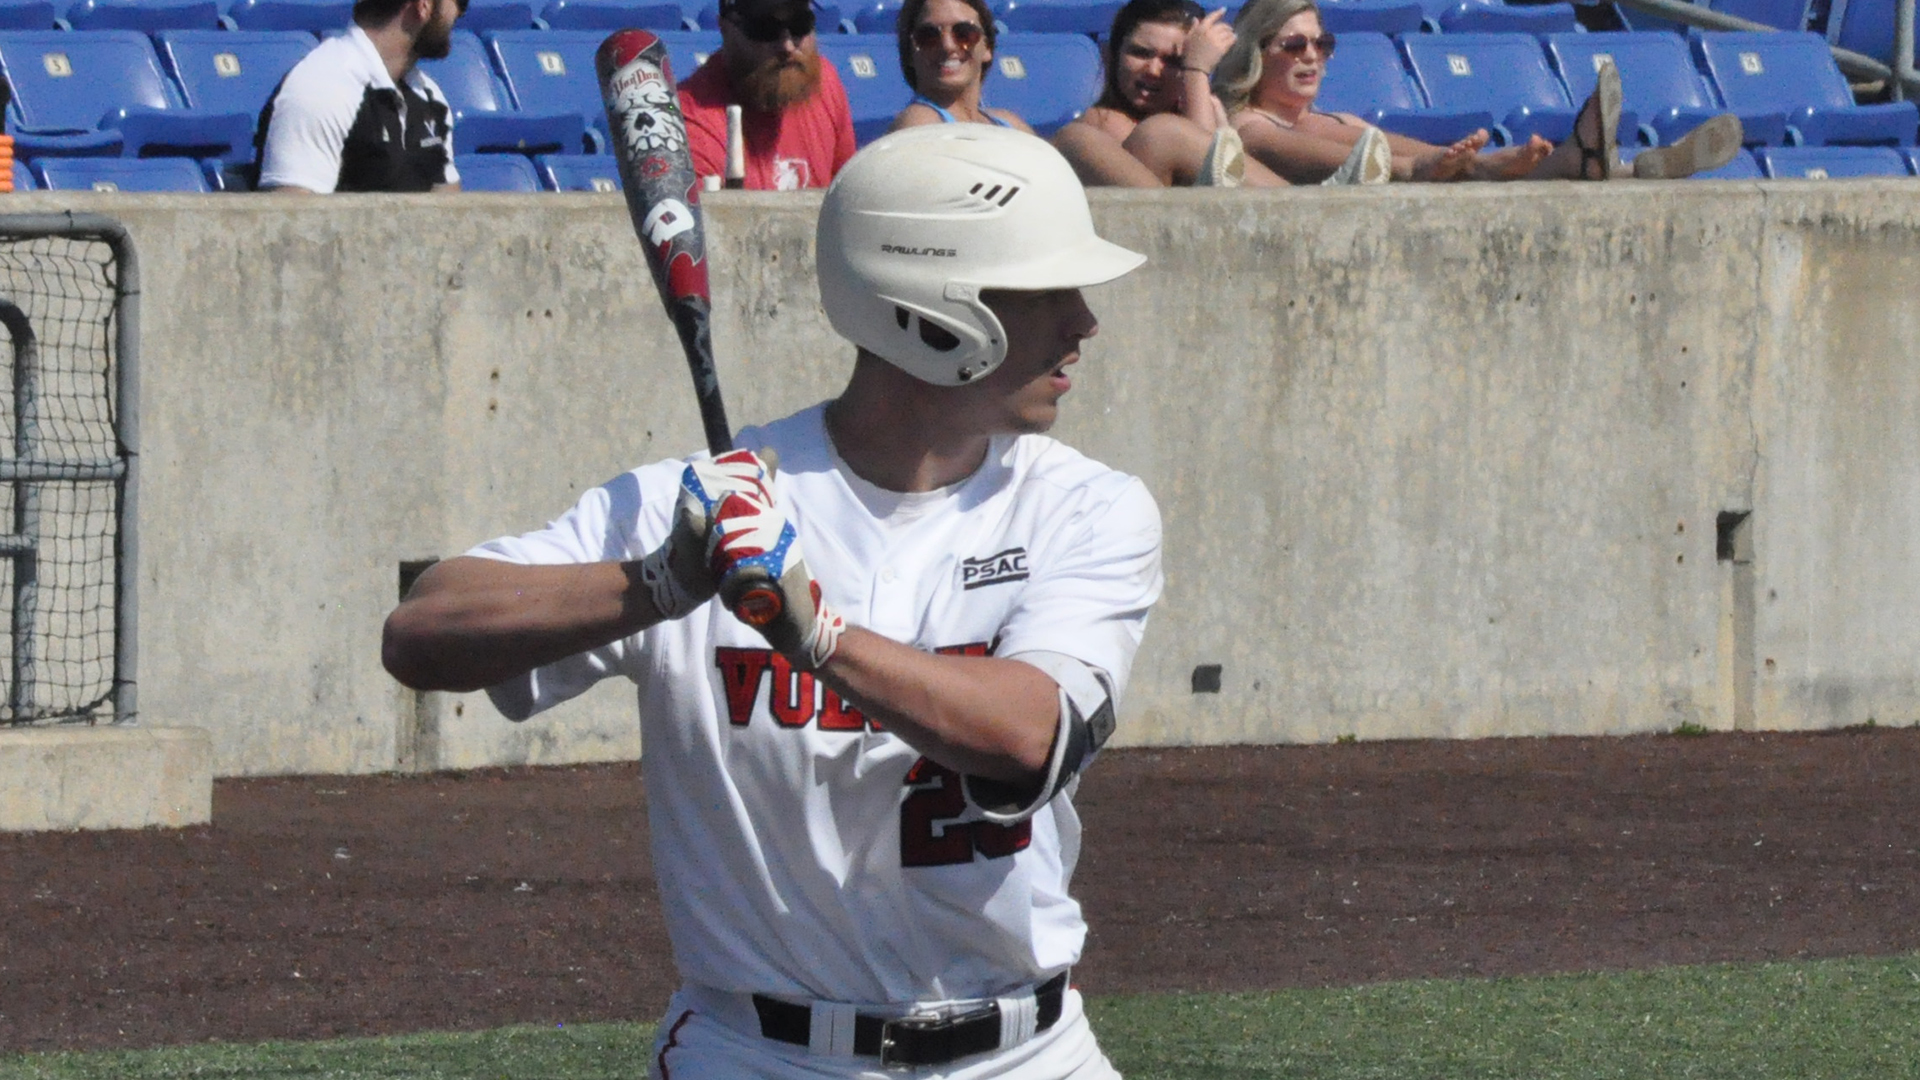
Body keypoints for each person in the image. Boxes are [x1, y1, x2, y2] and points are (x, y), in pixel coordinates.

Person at [382, 124, 1163, 1079]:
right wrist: (658, 584)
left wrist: (820, 635)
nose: (1084, 322)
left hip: (1029, 1053)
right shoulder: (713, 505)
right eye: (1046, 293)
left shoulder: (1086, 508)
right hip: (757, 1054)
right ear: (935, 310)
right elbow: (421, 632)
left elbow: (1029, 736)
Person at [1213, 0, 1744, 183]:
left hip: (1417, 186)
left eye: (1322, 43)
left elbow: (1430, 157)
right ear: (1256, 51)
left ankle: (1622, 168)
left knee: (1482, 168)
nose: (1311, 56)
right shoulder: (1249, 126)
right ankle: (1583, 161)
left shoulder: (1342, 120)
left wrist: (1471, 160)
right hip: (1389, 201)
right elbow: (1369, 162)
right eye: (1295, 45)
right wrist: (1439, 167)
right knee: (1387, 150)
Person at [1052, 0, 1297, 187]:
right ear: (1111, 56)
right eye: (1140, 53)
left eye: (1174, 61)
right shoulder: (1101, 124)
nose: (1153, 70)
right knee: (1161, 132)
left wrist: (1195, 75)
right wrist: (1196, 70)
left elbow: (1214, 178)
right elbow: (1211, 179)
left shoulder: (1208, 109)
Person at [254, 0, 466, 193]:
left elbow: (451, 211)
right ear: (423, 6)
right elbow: (292, 216)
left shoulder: (429, 95)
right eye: (461, 2)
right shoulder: (321, 89)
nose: (460, 13)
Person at [679, 0, 858, 190]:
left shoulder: (824, 82)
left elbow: (849, 193)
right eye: (765, 28)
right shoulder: (691, 121)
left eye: (800, 24)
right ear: (726, 29)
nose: (787, 46)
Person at [890, 0, 1033, 132]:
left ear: (987, 46)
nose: (948, 46)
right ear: (909, 53)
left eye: (964, 33)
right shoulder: (920, 123)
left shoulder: (1009, 123)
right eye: (929, 36)